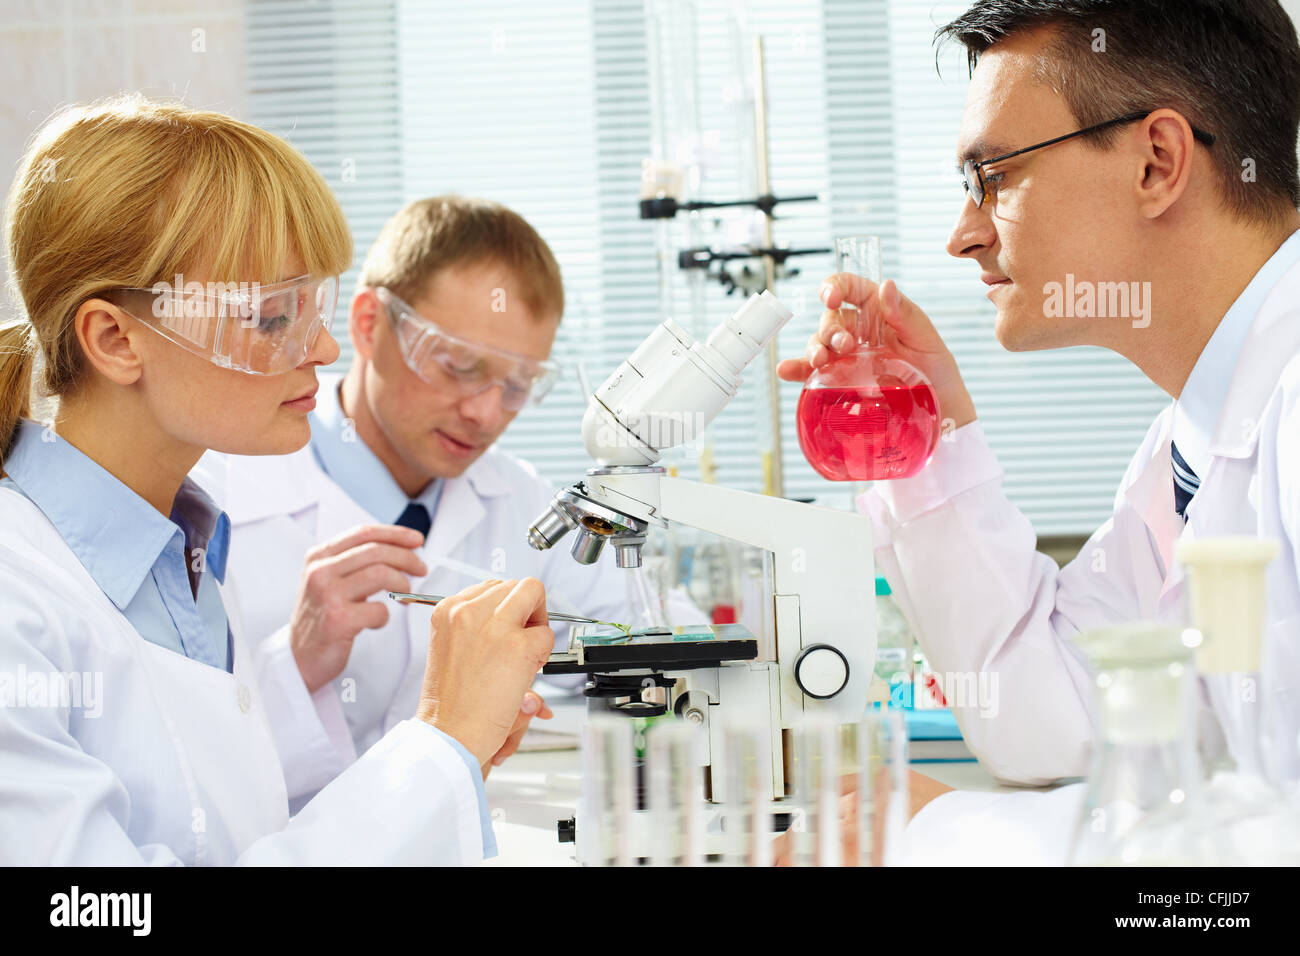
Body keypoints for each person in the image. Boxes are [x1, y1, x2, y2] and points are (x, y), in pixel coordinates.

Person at [0, 96, 552, 865]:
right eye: (270, 316)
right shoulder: (17, 599)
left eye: (314, 304)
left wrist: (457, 761)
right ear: (116, 339)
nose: (324, 347)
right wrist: (440, 739)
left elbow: (232, 831)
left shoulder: (184, 551)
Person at [779, 0, 1300, 802]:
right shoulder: (1186, 449)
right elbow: (1055, 720)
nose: (963, 234)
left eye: (993, 176)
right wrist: (934, 435)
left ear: (1156, 161)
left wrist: (958, 836)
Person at [194, 195, 703, 805]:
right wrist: (296, 660)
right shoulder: (213, 488)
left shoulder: (518, 497)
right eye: (459, 366)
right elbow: (182, 779)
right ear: (368, 325)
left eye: (517, 386)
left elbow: (669, 635)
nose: (486, 414)